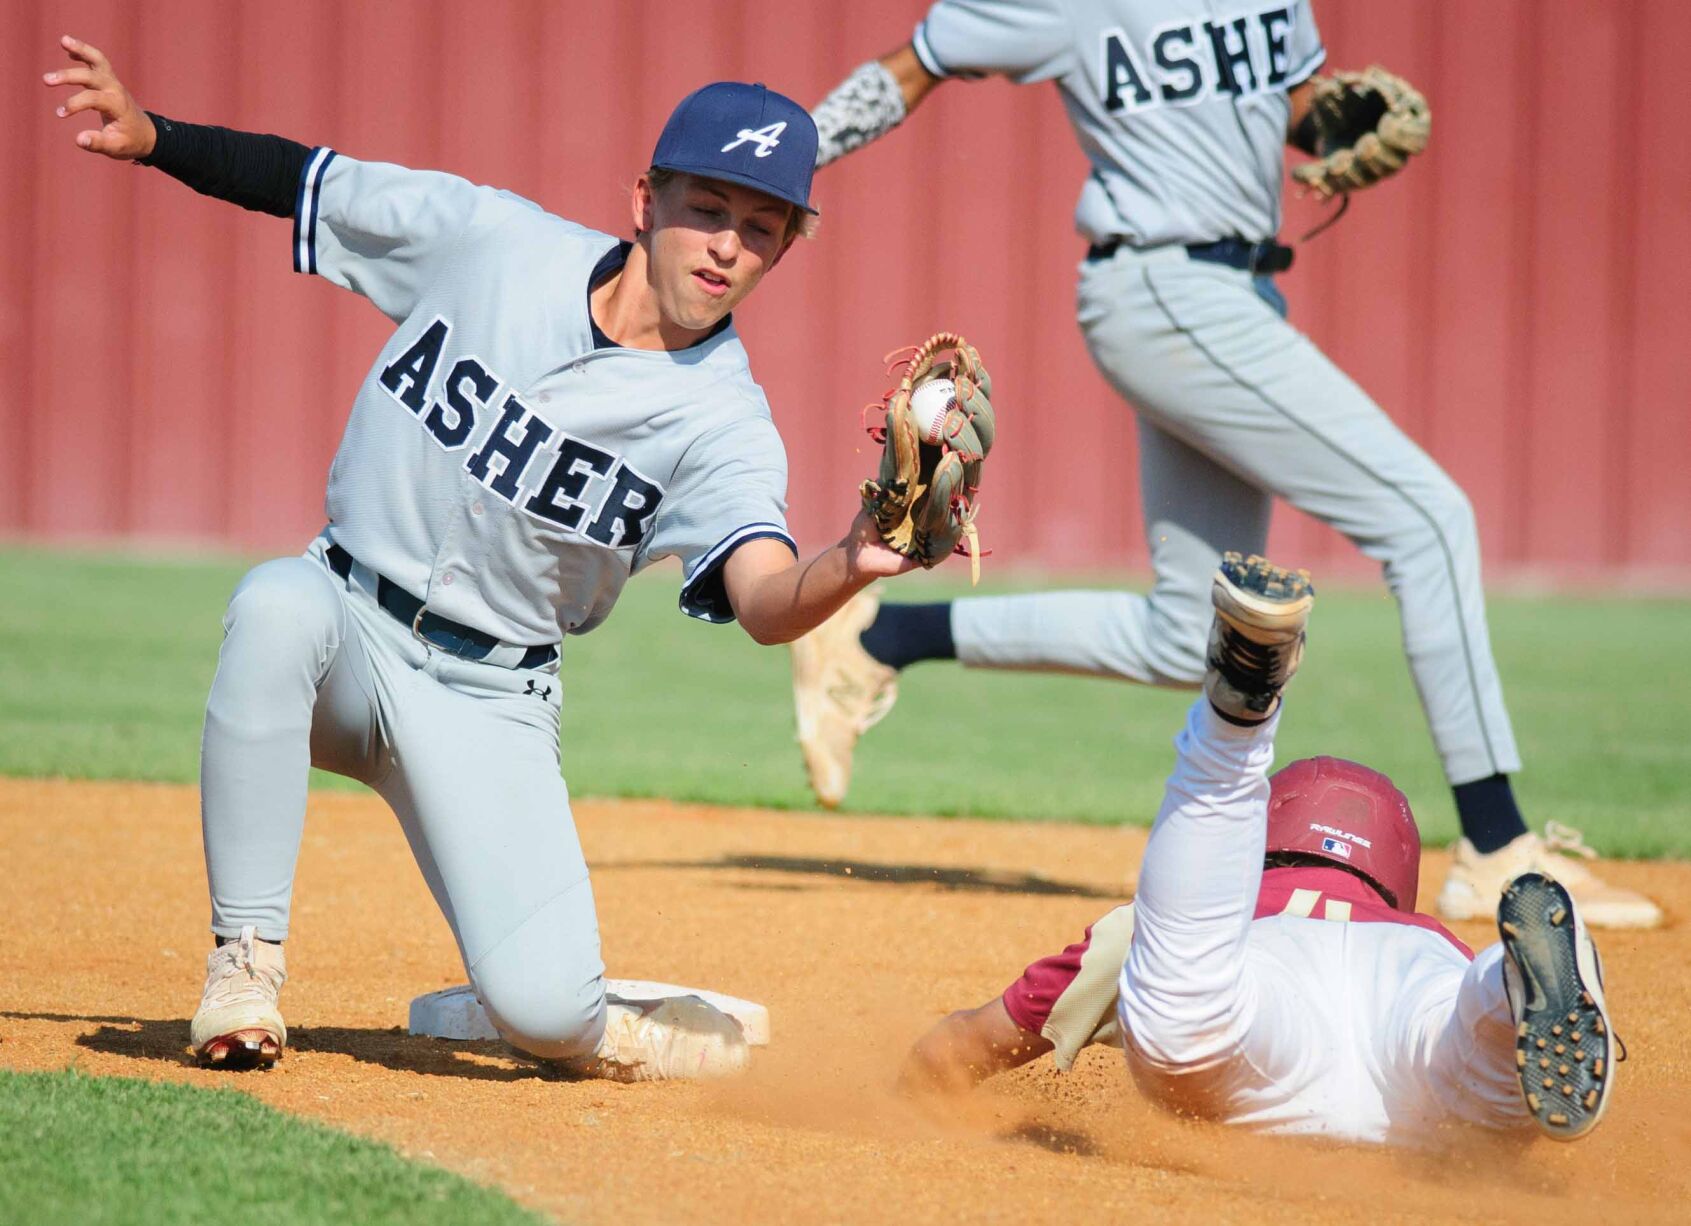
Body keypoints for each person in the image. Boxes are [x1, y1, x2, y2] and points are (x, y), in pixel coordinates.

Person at [43, 34, 952, 1079]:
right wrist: (156, 136)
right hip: (347, 626)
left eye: (758, 226)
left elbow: (762, 596)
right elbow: (308, 181)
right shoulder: (494, 243)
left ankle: (554, 1002)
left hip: (489, 699)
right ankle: (244, 966)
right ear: (644, 200)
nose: (724, 245)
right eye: (706, 207)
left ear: (783, 248)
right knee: (273, 603)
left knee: (552, 1017)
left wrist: (853, 555)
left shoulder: (722, 423)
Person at [790, 0, 1660, 928]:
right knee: (1428, 520)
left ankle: (879, 641)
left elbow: (1281, 107)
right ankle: (1494, 842)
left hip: (1240, 288)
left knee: (1183, 635)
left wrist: (1335, 122)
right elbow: (910, 64)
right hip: (1161, 286)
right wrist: (783, 164)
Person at [901, 552, 1620, 1146]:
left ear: (1264, 846)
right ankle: (1510, 983)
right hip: (1412, 1007)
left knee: (1185, 1006)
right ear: (1393, 873)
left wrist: (904, 1096)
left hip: (1264, 994)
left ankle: (1234, 722)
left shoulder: (1235, 906)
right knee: (1473, 1051)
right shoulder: (1423, 935)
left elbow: (963, 1049)